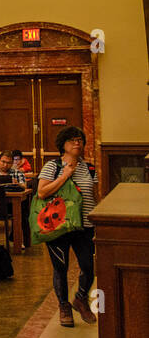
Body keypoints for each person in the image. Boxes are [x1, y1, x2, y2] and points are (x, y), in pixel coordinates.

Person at [37, 126, 98, 327]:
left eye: (80, 139)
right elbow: (42, 193)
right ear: (62, 145)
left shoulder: (89, 168)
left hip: (85, 225)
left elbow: (94, 196)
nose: (77, 143)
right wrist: (65, 175)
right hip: (59, 225)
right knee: (60, 267)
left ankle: (80, 299)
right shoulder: (52, 166)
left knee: (88, 267)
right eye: (72, 140)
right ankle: (64, 306)